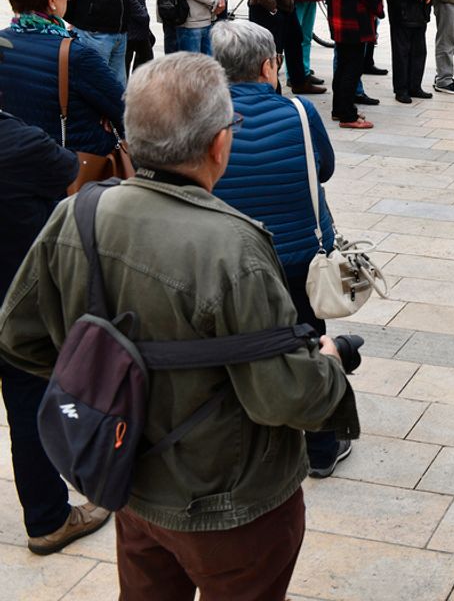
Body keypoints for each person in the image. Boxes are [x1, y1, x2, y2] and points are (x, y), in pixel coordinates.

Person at [0, 53, 358, 600]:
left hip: (131, 483)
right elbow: (281, 397)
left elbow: (18, 336)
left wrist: (107, 373)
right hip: (231, 504)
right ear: (219, 144)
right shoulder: (233, 246)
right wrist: (329, 364)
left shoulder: (77, 214)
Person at [210, 20, 352, 478]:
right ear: (269, 65)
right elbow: (323, 169)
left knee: (238, 343)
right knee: (311, 341)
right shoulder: (299, 112)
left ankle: (250, 441)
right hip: (298, 256)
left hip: (232, 258)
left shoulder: (205, 117)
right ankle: (323, 447)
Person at [0, 108, 109, 558]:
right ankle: (48, 519)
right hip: (13, 305)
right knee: (28, 405)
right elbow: (67, 167)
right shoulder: (16, 139)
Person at [0, 0, 126, 158]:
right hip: (69, 166)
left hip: (15, 161)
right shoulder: (76, 56)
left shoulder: (3, 42)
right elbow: (125, 110)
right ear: (52, 0)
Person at [324, 0, 383, 129]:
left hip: (341, 20)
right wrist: (378, 7)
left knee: (343, 67)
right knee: (352, 67)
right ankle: (348, 114)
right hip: (354, 21)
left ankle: (339, 109)